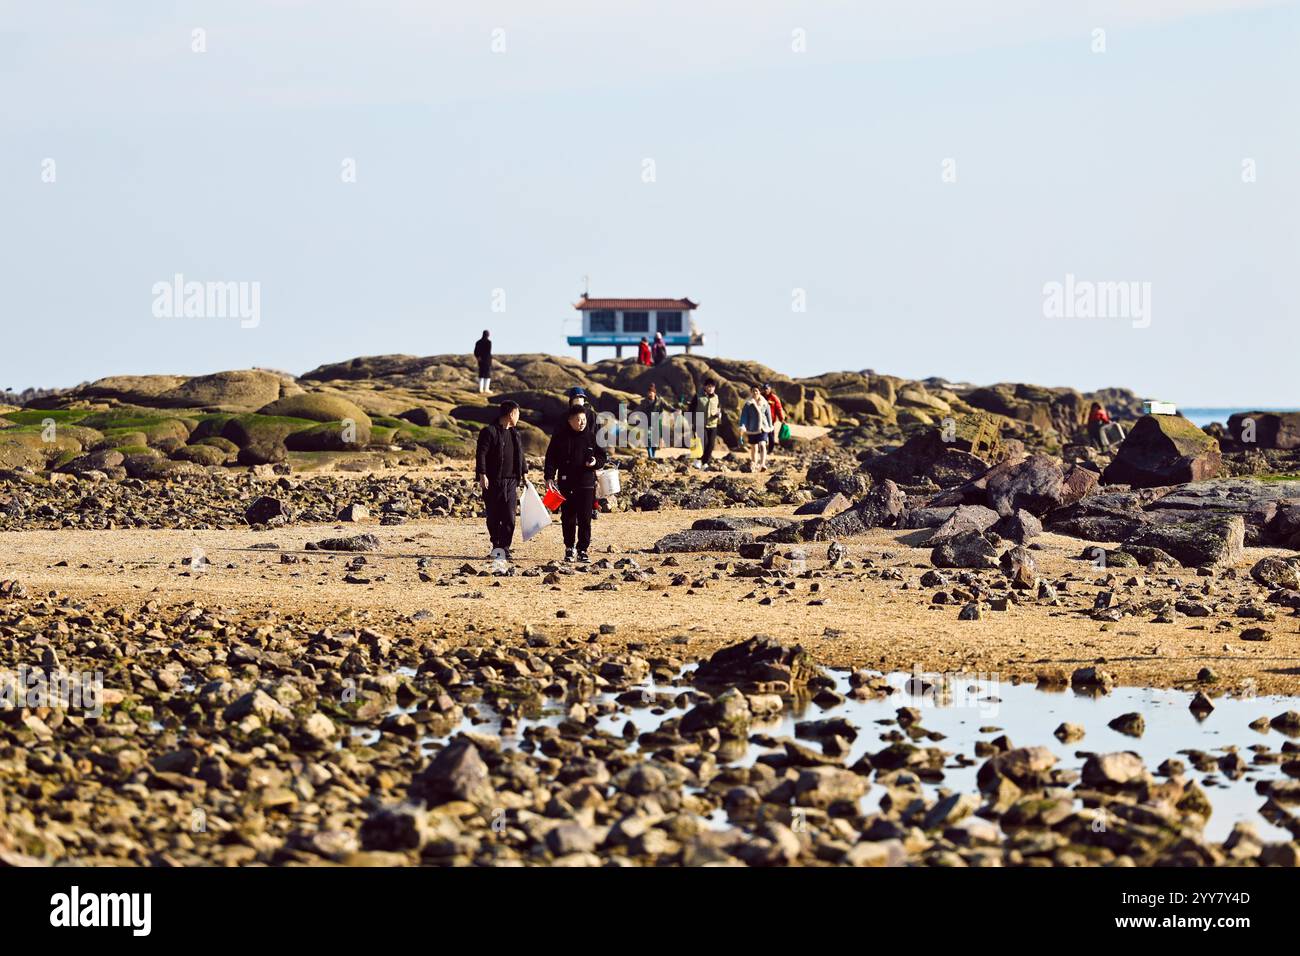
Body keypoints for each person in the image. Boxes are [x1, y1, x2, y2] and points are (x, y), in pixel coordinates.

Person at [544, 404, 608, 563]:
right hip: (566, 483)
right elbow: (551, 458)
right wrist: (549, 477)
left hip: (586, 484)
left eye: (584, 419)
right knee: (568, 517)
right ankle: (569, 548)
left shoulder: (592, 437)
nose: (582, 423)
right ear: (570, 420)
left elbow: (602, 458)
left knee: (585, 518)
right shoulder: (560, 437)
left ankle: (583, 550)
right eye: (578, 420)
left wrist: (594, 462)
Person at [474, 400, 524, 560]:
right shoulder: (489, 432)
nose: (518, 417)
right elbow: (481, 453)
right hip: (492, 480)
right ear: (511, 414)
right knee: (494, 516)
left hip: (511, 481)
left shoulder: (515, 433)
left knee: (509, 516)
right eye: (517, 413)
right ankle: (496, 545)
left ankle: (505, 547)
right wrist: (482, 474)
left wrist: (524, 473)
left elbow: (520, 455)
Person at [688, 379, 723, 469]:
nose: (710, 388)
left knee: (710, 445)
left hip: (713, 424)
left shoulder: (716, 397)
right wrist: (691, 422)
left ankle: (705, 462)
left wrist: (719, 415)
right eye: (709, 386)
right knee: (703, 442)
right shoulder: (698, 396)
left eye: (712, 386)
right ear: (705, 387)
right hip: (700, 423)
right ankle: (697, 459)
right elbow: (691, 409)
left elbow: (719, 408)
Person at [739, 385, 774, 471]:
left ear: (759, 392)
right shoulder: (748, 404)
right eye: (753, 391)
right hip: (752, 428)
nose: (755, 393)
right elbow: (744, 416)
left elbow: (768, 415)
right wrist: (742, 426)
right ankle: (754, 464)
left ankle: (762, 464)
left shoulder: (765, 403)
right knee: (754, 447)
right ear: (751, 392)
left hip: (763, 427)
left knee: (762, 444)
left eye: (757, 391)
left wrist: (770, 426)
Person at [639, 382, 672, 459]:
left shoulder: (660, 401)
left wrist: (675, 410)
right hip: (647, 423)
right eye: (648, 393)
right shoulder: (644, 402)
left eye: (651, 393)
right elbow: (638, 410)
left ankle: (653, 455)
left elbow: (668, 407)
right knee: (648, 440)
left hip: (657, 423)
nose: (650, 394)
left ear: (654, 393)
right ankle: (650, 455)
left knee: (655, 442)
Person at [764, 384, 786, 455]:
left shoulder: (774, 398)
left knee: (771, 437)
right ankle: (762, 450)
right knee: (762, 436)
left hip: (771, 421)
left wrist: (781, 419)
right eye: (764, 389)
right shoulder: (760, 396)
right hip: (761, 420)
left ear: (770, 389)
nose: (765, 390)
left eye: (767, 388)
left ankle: (770, 451)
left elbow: (779, 409)